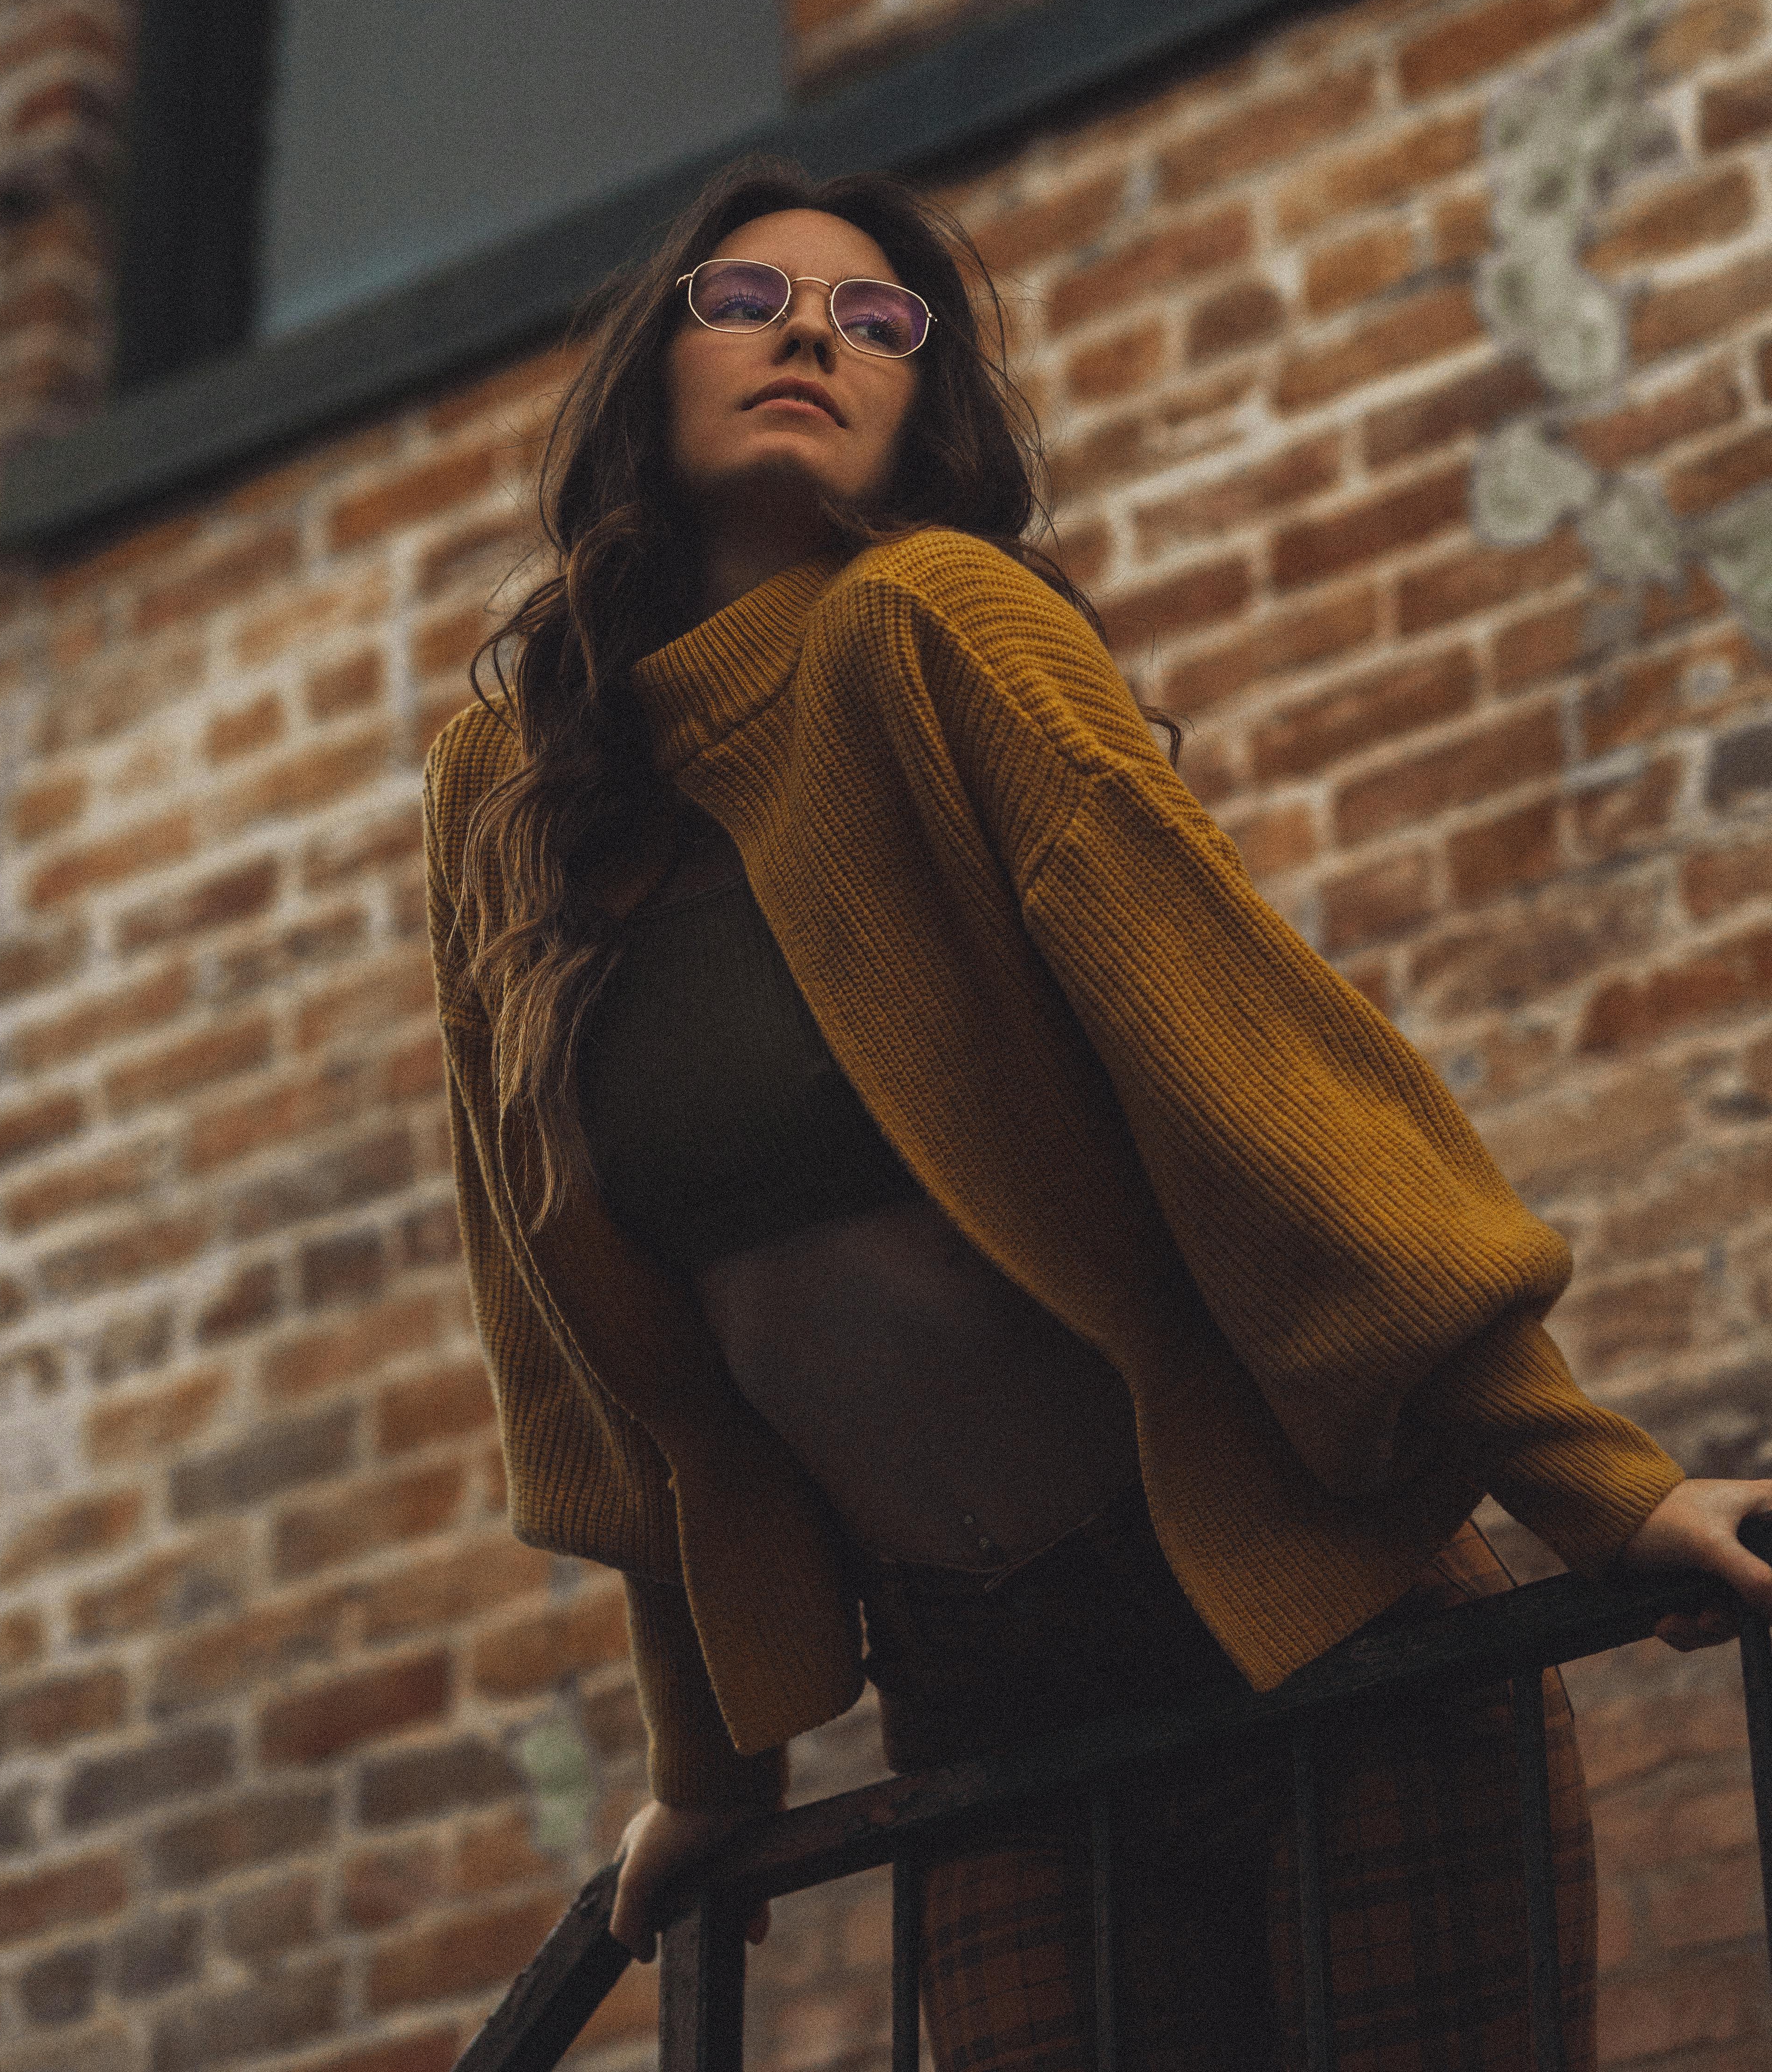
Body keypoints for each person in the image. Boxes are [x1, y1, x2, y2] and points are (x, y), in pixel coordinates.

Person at [424, 157, 1772, 2072]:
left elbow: (1259, 1087)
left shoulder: (937, 630)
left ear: (924, 402)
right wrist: (709, 1769)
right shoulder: (509, 793)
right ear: (646, 369)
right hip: (981, 1706)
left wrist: (1596, 1489)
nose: (814, 329)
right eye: (749, 301)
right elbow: (602, 1385)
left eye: (878, 321)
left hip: (1310, 1616)